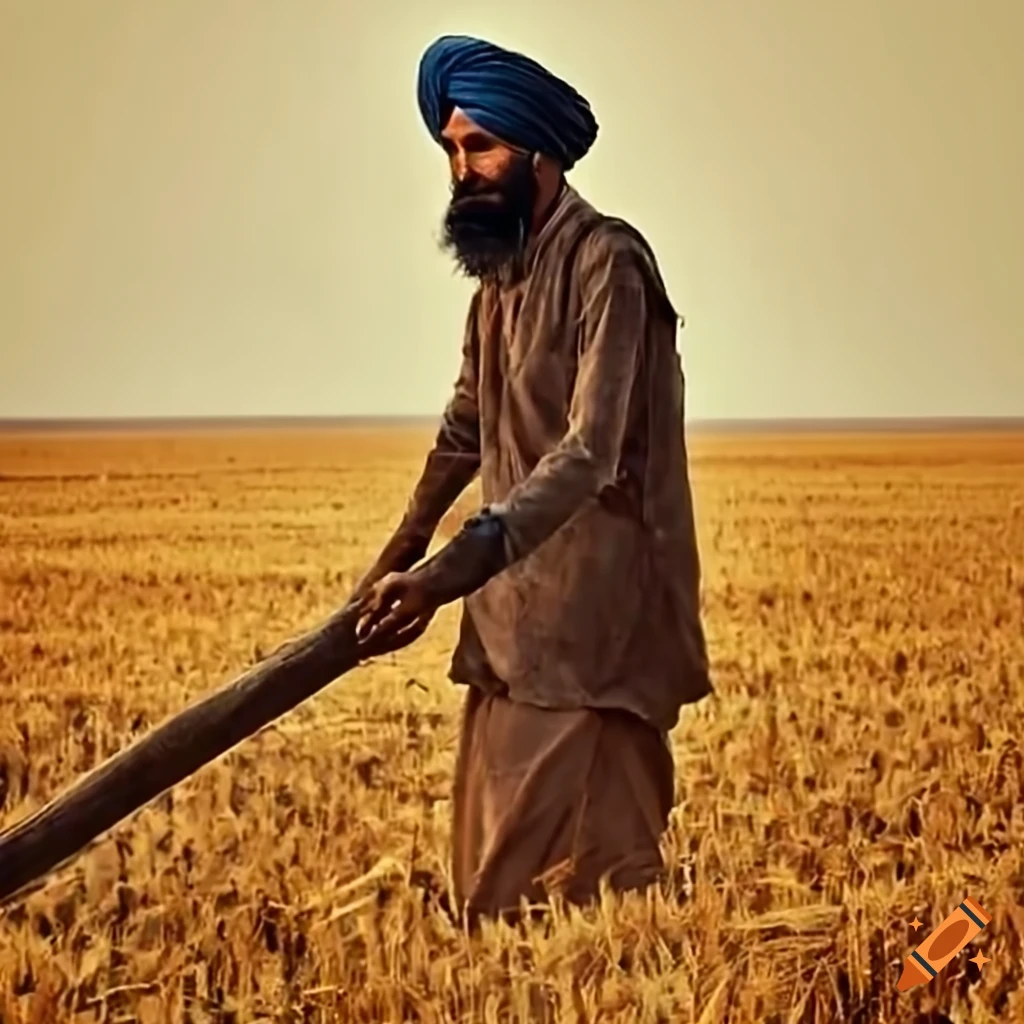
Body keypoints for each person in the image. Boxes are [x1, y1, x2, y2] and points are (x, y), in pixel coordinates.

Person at [354, 34, 713, 924]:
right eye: (451, 150)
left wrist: (442, 574)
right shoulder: (498, 282)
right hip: (511, 622)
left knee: (577, 896)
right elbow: (465, 427)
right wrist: (400, 551)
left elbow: (590, 453)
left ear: (540, 152)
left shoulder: (609, 263)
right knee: (502, 896)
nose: (462, 169)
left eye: (481, 146)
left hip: (600, 625)